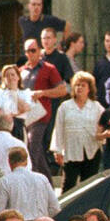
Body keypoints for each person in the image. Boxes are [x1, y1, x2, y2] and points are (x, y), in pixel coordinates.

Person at [20, 38, 68, 176]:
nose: (30, 54)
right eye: (27, 51)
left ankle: (34, 181)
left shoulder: (49, 69)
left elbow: (62, 90)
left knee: (33, 147)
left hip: (41, 116)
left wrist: (43, 93)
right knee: (37, 152)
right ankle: (48, 185)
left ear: (40, 50)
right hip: (25, 116)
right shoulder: (22, 70)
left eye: (33, 50)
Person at [50, 72, 105, 191]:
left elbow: (104, 124)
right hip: (71, 151)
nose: (79, 88)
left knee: (89, 186)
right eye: (77, 85)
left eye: (83, 85)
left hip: (91, 151)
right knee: (68, 184)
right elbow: (58, 128)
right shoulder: (65, 106)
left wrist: (103, 136)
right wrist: (58, 150)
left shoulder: (96, 107)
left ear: (89, 88)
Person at [0, 148, 59, 221]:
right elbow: (55, 207)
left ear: (9, 162)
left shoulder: (5, 181)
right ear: (26, 161)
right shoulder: (42, 178)